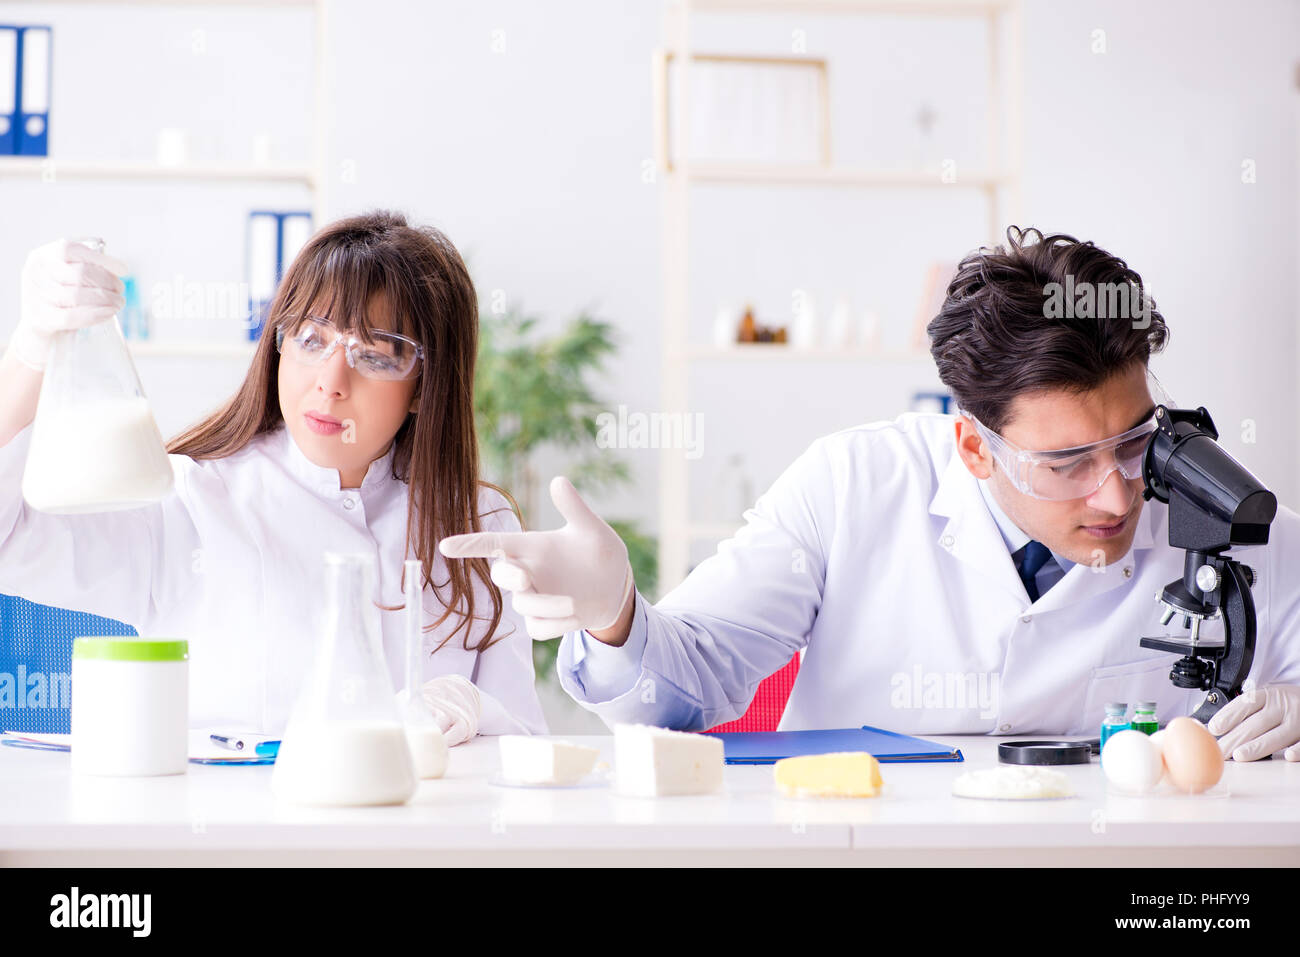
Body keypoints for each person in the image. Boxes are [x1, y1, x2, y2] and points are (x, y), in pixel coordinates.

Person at [441, 227, 1300, 762]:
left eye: (1134, 440)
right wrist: (615, 615)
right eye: (1067, 461)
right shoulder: (853, 485)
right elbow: (688, 691)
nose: (1116, 493)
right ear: (974, 445)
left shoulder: (1218, 512)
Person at [0, 211, 547, 742]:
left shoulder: (477, 524)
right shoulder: (190, 498)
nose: (331, 381)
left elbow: (525, 746)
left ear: (425, 388)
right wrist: (31, 351)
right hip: (231, 829)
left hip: (415, 831)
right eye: (311, 340)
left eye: (376, 356)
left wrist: (479, 711)